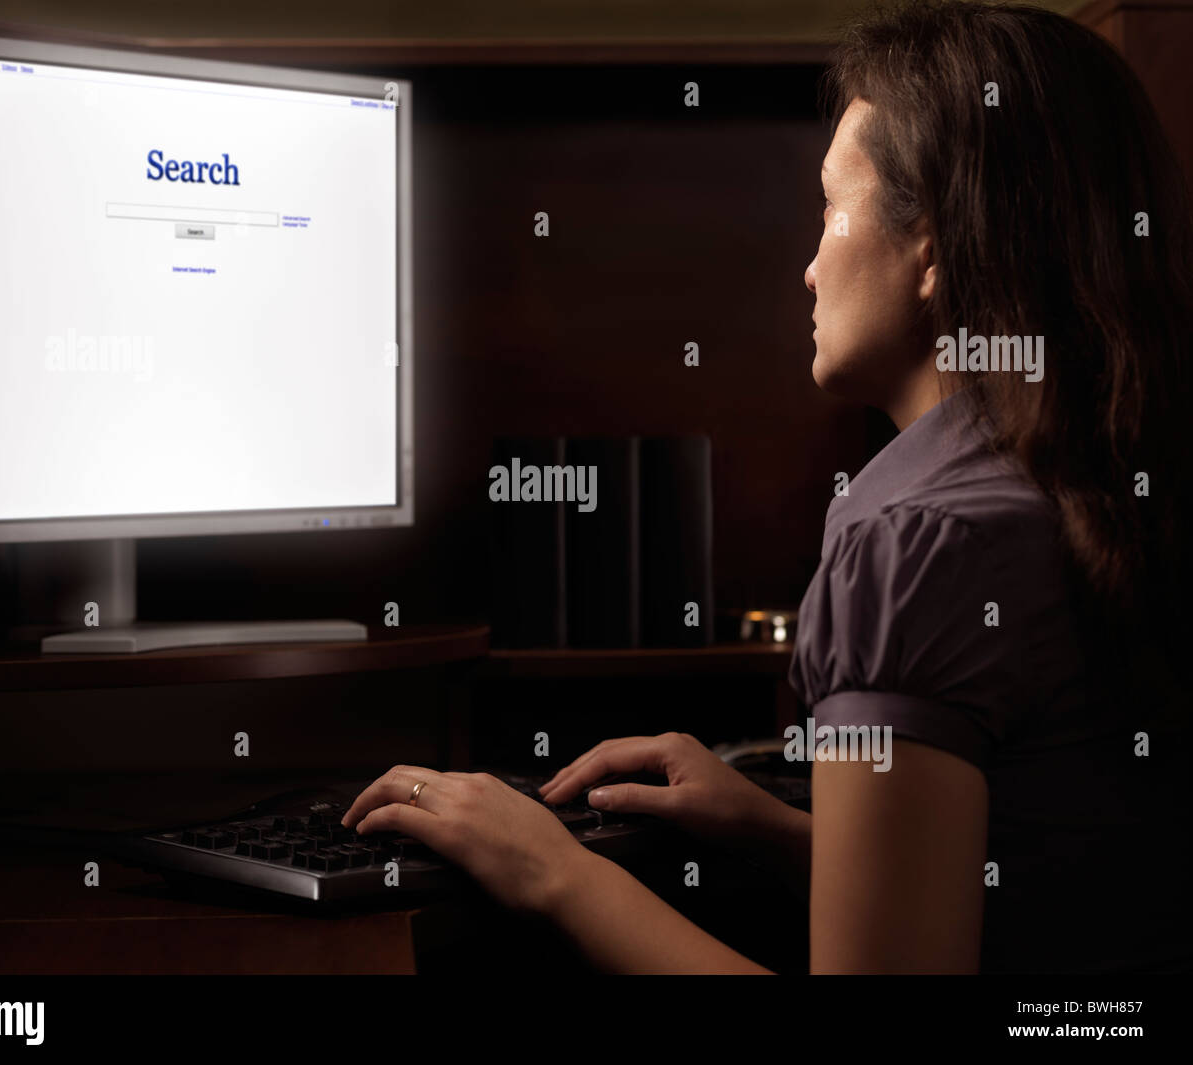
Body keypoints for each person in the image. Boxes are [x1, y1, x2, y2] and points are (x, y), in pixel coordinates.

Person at [342, 0, 1193, 973]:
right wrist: (773, 828)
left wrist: (553, 872)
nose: (807, 265)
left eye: (833, 208)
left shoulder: (910, 540)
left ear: (936, 247)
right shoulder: (1104, 485)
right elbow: (1053, 894)